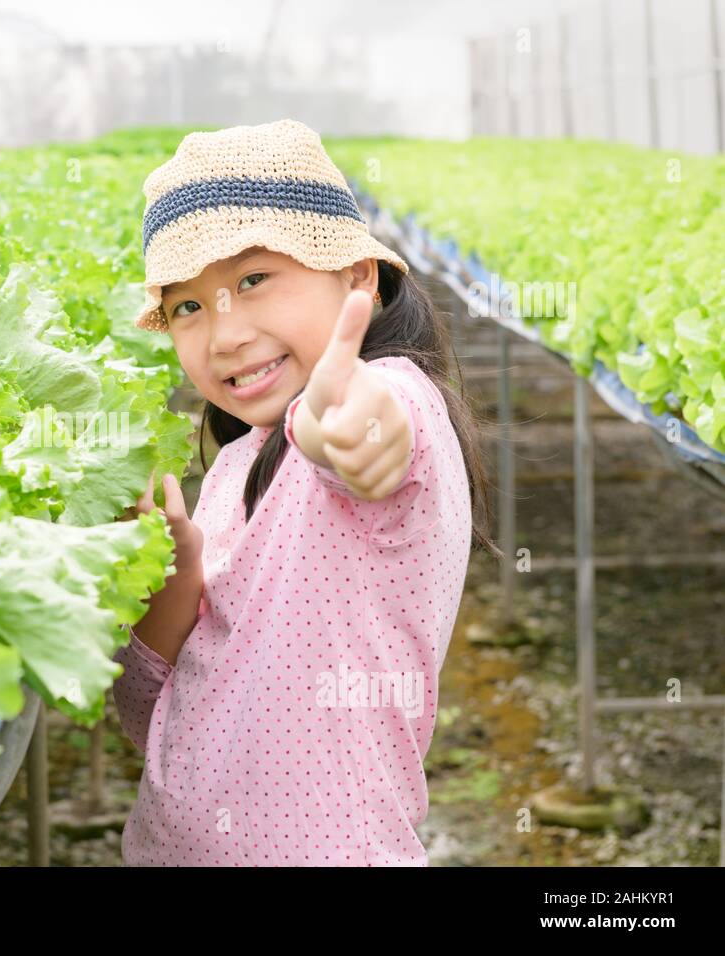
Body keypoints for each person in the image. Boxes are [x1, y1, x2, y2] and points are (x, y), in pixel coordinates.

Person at [112, 118, 494, 866]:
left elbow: (369, 426)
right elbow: (163, 726)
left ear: (357, 277)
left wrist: (344, 429)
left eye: (253, 280)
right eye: (188, 305)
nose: (223, 335)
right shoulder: (234, 467)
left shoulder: (384, 400)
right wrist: (174, 583)